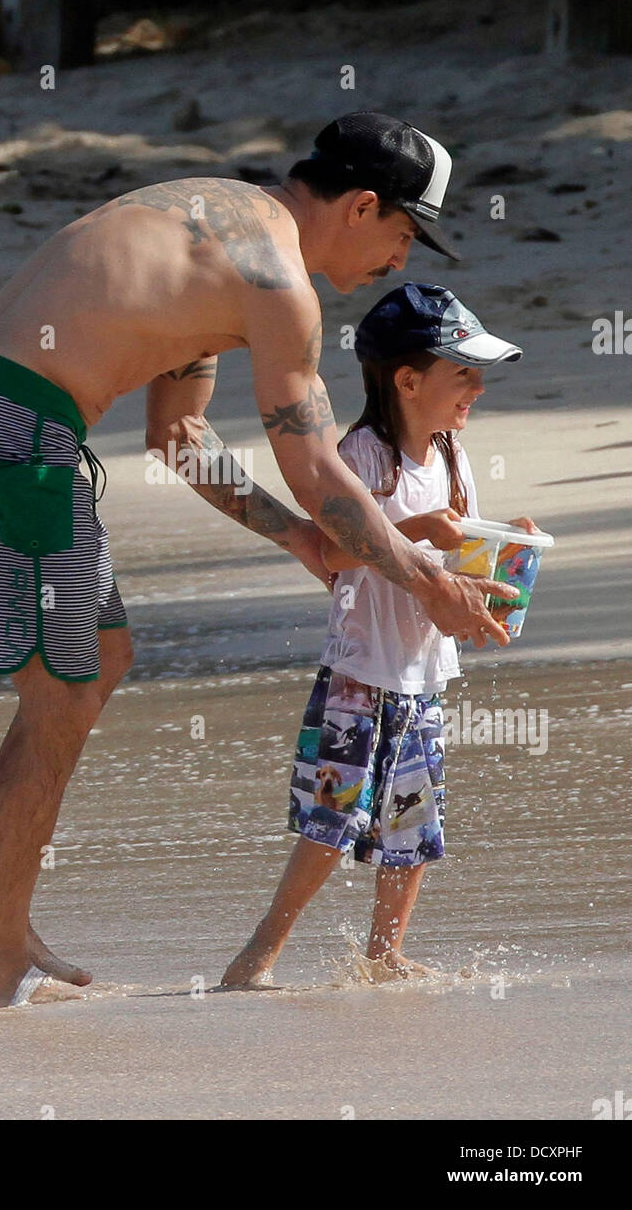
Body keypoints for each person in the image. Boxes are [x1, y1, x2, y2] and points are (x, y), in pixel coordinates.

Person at [0, 112, 521, 1007]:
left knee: (99, 662)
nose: (400, 261)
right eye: (403, 233)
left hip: (1, 416)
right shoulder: (276, 280)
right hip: (10, 429)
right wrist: (430, 582)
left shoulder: (213, 221)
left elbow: (179, 435)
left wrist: (306, 542)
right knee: (61, 690)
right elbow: (318, 469)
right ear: (360, 206)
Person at [221, 283, 540, 987]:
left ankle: (384, 954)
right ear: (406, 379)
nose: (478, 388)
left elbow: (457, 564)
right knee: (329, 823)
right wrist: (418, 530)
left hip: (423, 674)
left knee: (412, 829)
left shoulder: (452, 457)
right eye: (464, 373)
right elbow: (335, 556)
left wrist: (502, 548)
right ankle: (258, 956)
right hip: (362, 673)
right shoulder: (363, 455)